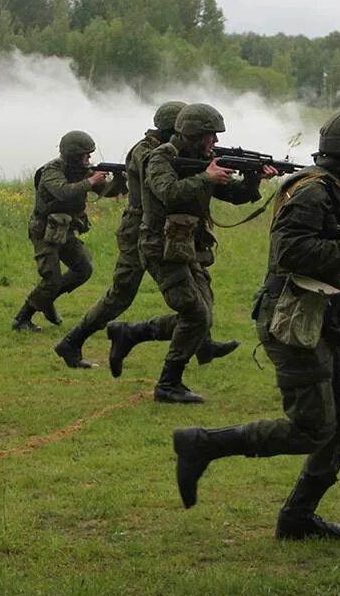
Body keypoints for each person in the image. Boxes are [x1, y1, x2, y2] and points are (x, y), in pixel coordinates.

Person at [171, 106, 340, 540]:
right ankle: (203, 444)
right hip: (292, 318)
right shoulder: (312, 194)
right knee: (313, 428)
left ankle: (296, 518)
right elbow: (290, 253)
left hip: (325, 317)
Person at [116, 103, 276, 403]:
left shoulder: (202, 158)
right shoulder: (161, 157)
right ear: (191, 133)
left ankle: (132, 333)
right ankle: (167, 384)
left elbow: (232, 195)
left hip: (185, 246)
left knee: (204, 313)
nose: (214, 143)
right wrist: (207, 177)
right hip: (159, 247)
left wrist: (254, 179)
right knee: (195, 313)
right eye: (210, 136)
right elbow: (168, 193)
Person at [53, 101, 185, 369]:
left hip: (162, 232)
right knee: (122, 295)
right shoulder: (145, 151)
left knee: (192, 288)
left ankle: (200, 341)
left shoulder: (167, 149)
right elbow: (160, 183)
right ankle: (74, 341)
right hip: (139, 231)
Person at [12, 130, 122, 333]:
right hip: (44, 231)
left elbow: (107, 191)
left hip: (66, 229)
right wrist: (90, 181)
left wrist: (120, 180)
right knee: (51, 279)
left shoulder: (82, 171)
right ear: (73, 155)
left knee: (83, 268)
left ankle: (45, 299)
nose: (89, 159)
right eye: (85, 155)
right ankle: (22, 319)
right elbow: (62, 192)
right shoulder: (51, 171)